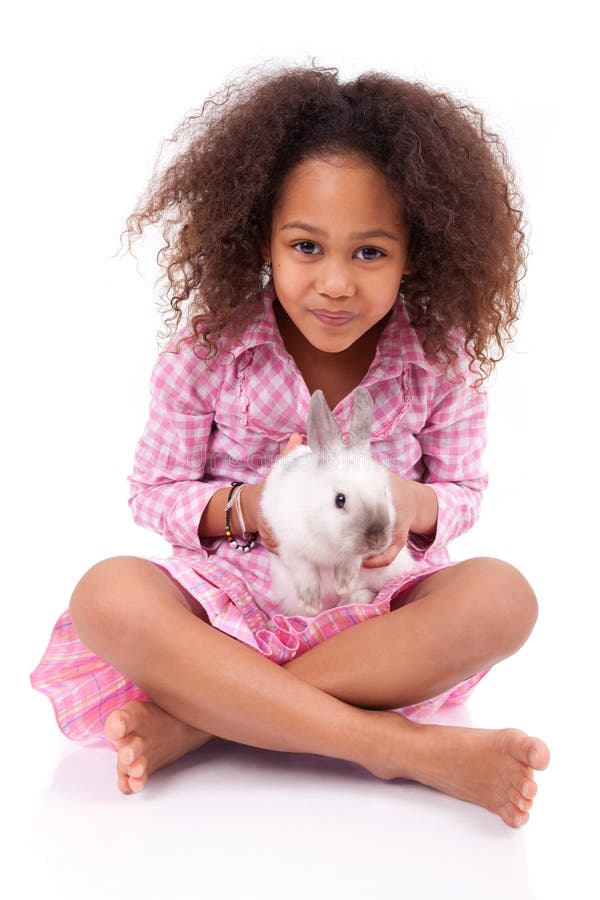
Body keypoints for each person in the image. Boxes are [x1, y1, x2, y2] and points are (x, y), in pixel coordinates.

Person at [30, 63, 550, 827]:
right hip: (231, 604)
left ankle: (205, 718)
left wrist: (410, 504)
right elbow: (154, 489)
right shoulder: (206, 350)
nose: (335, 283)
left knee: (504, 598)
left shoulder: (441, 358)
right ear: (260, 240)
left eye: (369, 253)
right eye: (307, 246)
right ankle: (394, 747)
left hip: (373, 609)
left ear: (417, 254)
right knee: (108, 595)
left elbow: (465, 492)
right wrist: (246, 510)